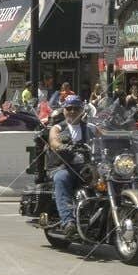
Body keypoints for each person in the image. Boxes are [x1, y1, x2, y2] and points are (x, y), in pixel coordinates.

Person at [47, 95, 89, 235]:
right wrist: (61, 146)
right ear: (64, 110)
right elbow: (53, 141)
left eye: (76, 108)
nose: (72, 111)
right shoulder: (58, 127)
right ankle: (68, 221)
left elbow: (106, 136)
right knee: (62, 178)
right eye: (69, 108)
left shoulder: (90, 127)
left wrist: (126, 136)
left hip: (86, 167)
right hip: (63, 166)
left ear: (82, 110)